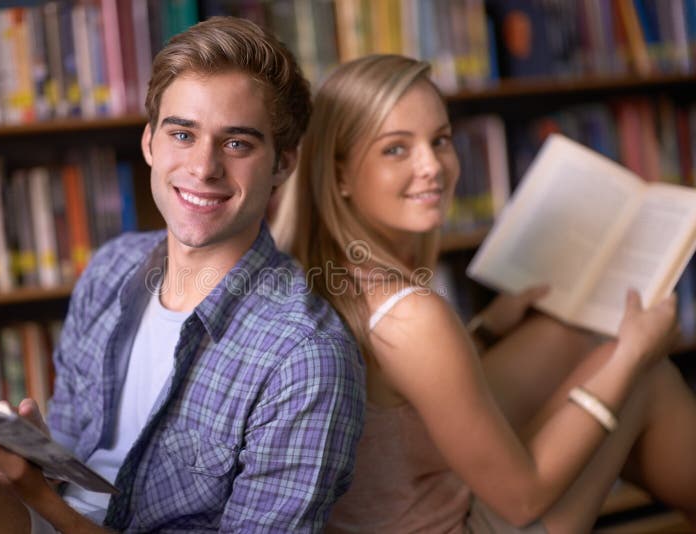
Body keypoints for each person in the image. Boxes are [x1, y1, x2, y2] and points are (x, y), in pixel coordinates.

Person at [0, 17, 365, 533]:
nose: (203, 167)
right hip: (38, 512)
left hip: (51, 517)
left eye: (236, 144)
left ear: (283, 164)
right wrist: (22, 461)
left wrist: (35, 494)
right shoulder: (111, 268)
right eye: (182, 134)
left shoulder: (306, 356)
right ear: (149, 144)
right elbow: (70, 459)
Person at [273, 54, 696, 533]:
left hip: (404, 501)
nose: (432, 165)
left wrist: (486, 330)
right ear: (341, 175)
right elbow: (523, 498)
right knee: (639, 373)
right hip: (463, 523)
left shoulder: (327, 273)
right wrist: (632, 356)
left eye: (440, 140)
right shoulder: (408, 315)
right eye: (396, 149)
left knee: (565, 334)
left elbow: (400, 402)